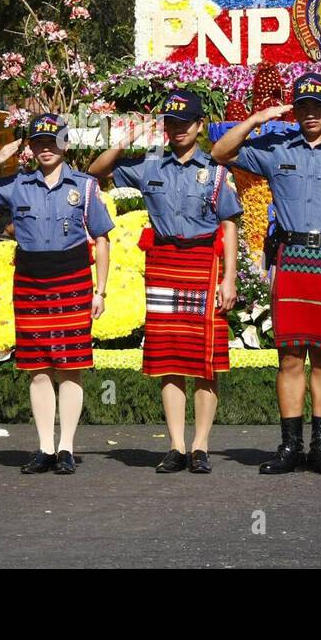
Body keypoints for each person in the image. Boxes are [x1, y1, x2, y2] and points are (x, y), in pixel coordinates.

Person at [211, 72, 321, 475]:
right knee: (288, 357)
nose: (309, 113)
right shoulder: (276, 147)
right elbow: (220, 153)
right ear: (294, 109)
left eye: (316, 106)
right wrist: (255, 120)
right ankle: (289, 447)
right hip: (289, 259)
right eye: (302, 106)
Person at [88, 90, 241, 474]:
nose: (177, 130)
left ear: (200, 126)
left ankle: (201, 446)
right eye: (170, 123)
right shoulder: (150, 165)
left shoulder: (217, 170)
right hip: (164, 264)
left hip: (205, 263)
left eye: (184, 123)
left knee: (205, 362)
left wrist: (231, 278)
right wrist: (125, 140)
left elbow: (229, 224)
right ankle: (175, 446)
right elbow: (96, 171)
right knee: (169, 359)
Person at [0, 113, 113, 475]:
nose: (46, 148)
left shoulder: (86, 186)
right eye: (38, 142)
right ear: (29, 147)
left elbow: (103, 239)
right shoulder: (16, 184)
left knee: (70, 367)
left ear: (65, 143)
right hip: (29, 282)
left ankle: (66, 448)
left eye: (53, 141)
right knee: (37, 367)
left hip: (73, 279)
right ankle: (44, 447)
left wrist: (100, 291)